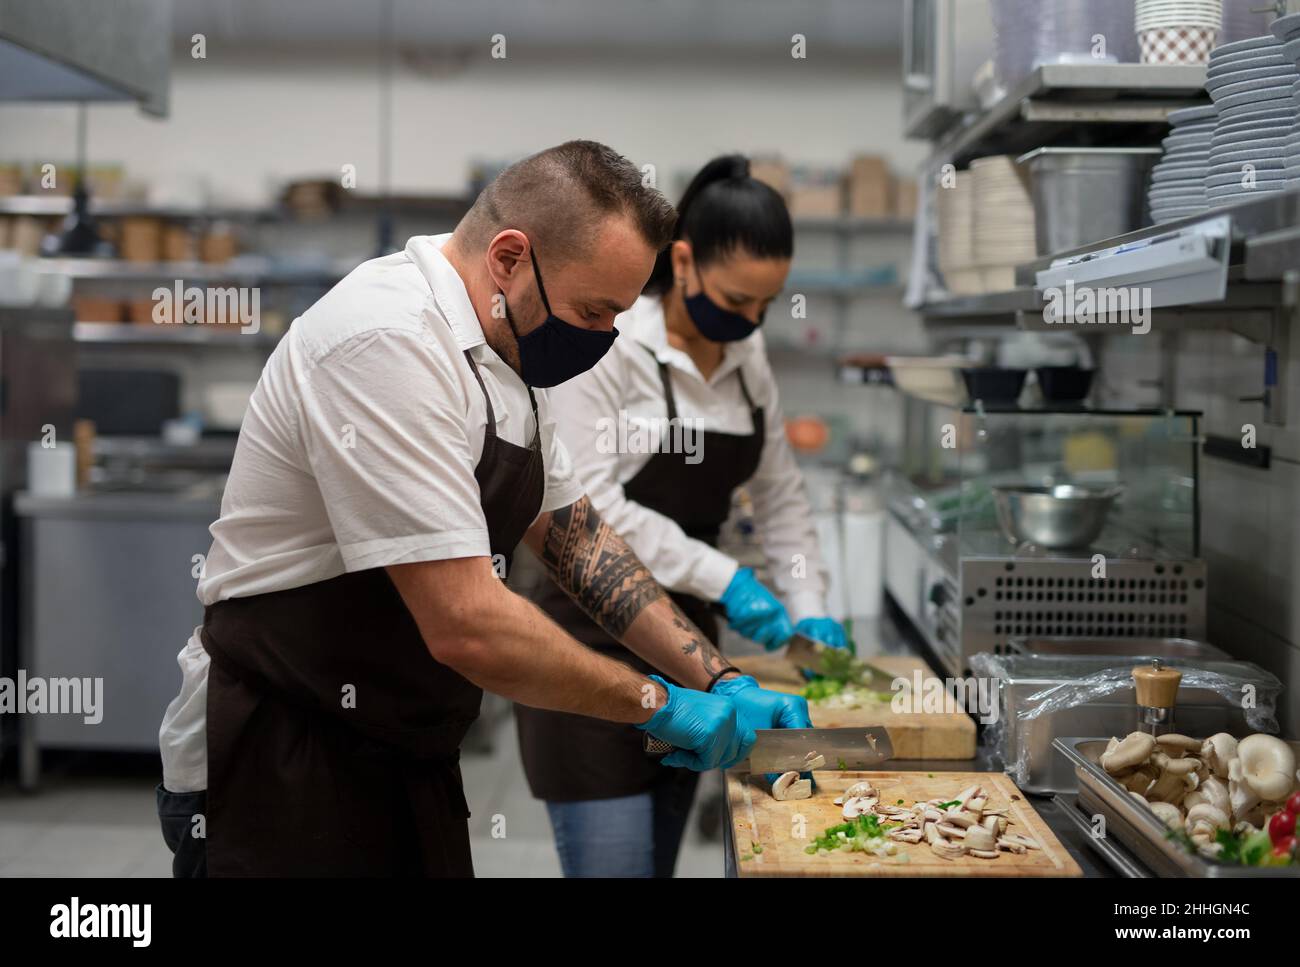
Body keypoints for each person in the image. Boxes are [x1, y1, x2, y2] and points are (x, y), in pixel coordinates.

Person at [155, 141, 810, 877]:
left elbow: (578, 537)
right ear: (508, 257)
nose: (603, 340)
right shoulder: (387, 340)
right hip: (279, 755)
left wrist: (717, 677)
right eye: (592, 311)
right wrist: (658, 701)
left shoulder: (509, 354)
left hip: (403, 743)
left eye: (618, 317)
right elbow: (465, 621)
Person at [515, 154, 846, 877]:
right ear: (685, 262)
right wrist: (727, 577)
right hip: (590, 639)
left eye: (765, 304)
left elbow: (783, 494)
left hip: (695, 653)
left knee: (658, 861)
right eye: (736, 301)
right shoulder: (608, 340)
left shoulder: (746, 353)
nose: (749, 322)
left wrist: (809, 605)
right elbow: (591, 509)